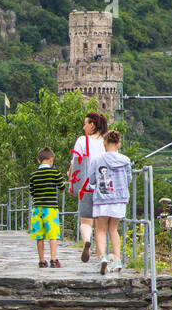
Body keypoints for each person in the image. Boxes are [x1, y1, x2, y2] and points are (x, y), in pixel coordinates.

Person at [87, 129, 133, 274]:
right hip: (119, 200)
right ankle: (117, 260)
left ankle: (102, 258)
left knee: (100, 229)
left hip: (102, 199)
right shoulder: (125, 160)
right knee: (113, 229)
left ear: (104, 143)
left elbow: (92, 179)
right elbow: (129, 179)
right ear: (118, 144)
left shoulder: (97, 160)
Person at [68, 112, 107, 263]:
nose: (83, 127)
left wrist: (70, 174)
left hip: (87, 187)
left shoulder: (82, 141)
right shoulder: (106, 140)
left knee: (85, 222)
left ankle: (86, 241)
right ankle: (101, 256)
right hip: (103, 187)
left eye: (85, 124)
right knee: (100, 225)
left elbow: (75, 164)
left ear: (92, 125)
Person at [28, 146, 66, 268]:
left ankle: (41, 261)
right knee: (53, 235)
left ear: (39, 160)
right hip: (51, 208)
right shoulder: (55, 173)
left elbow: (32, 191)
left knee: (40, 236)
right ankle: (53, 259)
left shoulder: (33, 175)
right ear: (51, 159)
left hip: (37, 208)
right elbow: (62, 186)